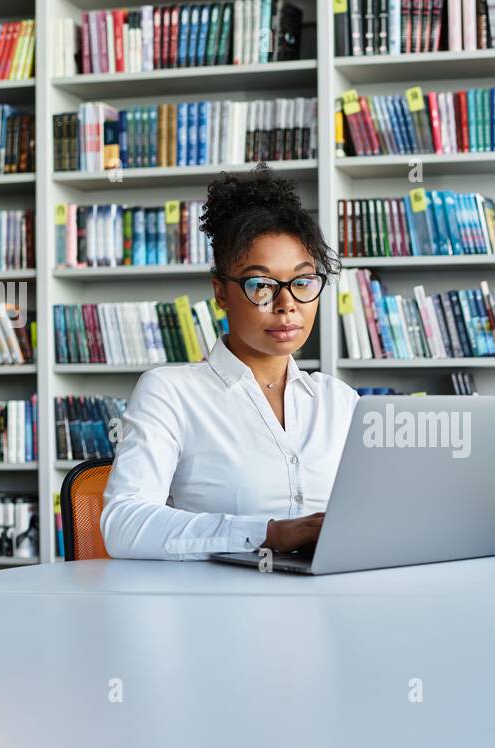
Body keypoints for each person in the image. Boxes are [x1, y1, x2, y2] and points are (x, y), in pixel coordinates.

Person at [101, 165, 358, 559]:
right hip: (218, 608)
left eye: (303, 282)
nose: (287, 304)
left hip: (332, 603)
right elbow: (123, 524)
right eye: (261, 285)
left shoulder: (339, 401)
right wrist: (268, 534)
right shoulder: (171, 392)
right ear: (221, 292)